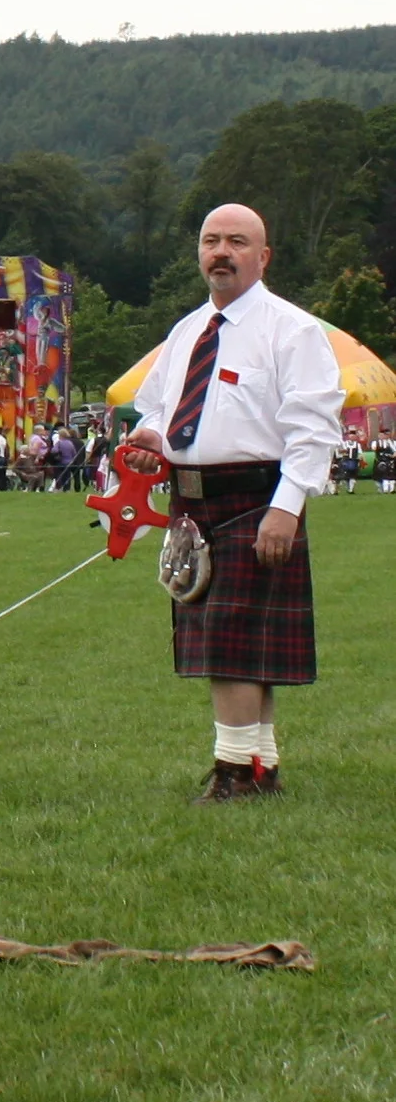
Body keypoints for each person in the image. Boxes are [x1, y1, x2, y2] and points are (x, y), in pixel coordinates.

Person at [122, 204, 342, 802]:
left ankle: (234, 773)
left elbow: (315, 429)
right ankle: (261, 765)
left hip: (256, 496)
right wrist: (150, 442)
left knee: (231, 641)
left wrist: (286, 505)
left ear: (262, 256)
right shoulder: (186, 331)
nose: (221, 252)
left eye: (236, 242)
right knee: (246, 642)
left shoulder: (291, 330)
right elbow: (159, 414)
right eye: (211, 241)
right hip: (193, 505)